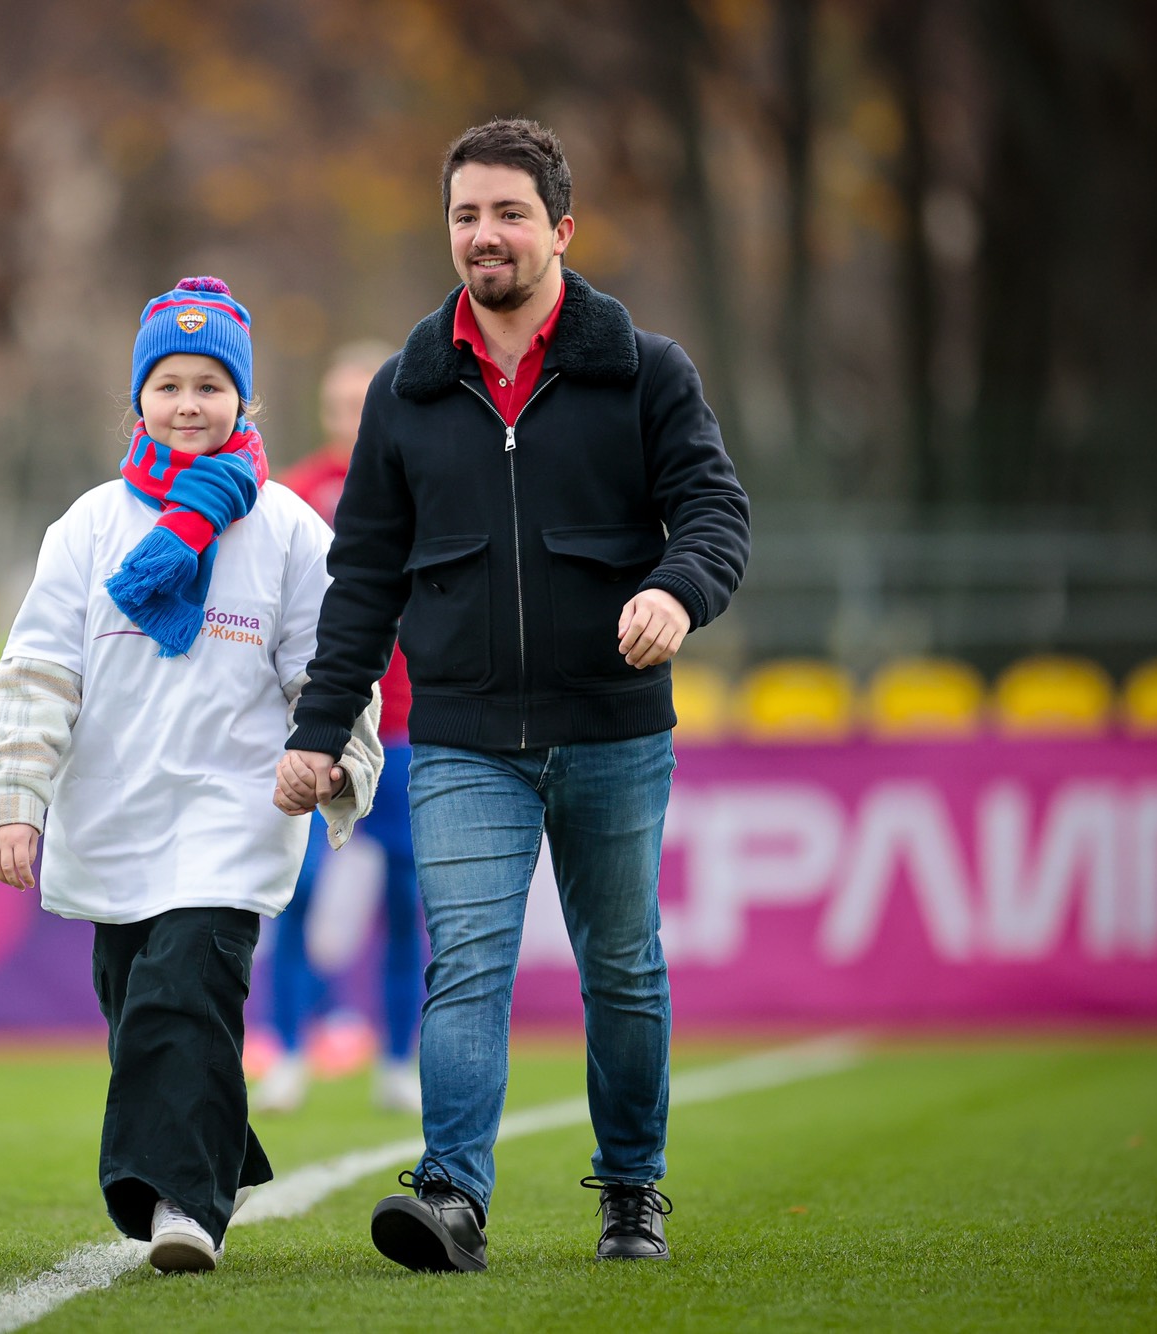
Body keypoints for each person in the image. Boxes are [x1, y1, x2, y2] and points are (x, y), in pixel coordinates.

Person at [277, 118, 750, 1271]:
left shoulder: (645, 369)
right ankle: (450, 1195)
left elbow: (713, 514)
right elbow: (364, 577)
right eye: (463, 215)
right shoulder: (405, 389)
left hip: (611, 728)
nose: (482, 235)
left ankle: (631, 1189)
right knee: (467, 960)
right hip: (458, 737)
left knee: (621, 965)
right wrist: (318, 729)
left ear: (560, 229)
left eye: (507, 213)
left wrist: (676, 595)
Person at [0, 276, 382, 1274]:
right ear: (137, 402)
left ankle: (180, 1208)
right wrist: (14, 803)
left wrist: (326, 757)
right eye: (168, 384)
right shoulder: (86, 527)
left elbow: (336, 665)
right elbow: (35, 674)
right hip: (111, 816)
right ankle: (220, 1151)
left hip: (230, 816)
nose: (189, 403)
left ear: (246, 402)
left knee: (182, 995)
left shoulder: (289, 529)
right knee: (140, 1010)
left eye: (210, 384)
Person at [256, 340, 424, 1116]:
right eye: (339, 407)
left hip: (410, 731)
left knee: (407, 898)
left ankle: (399, 1058)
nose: (351, 422)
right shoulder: (292, 496)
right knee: (295, 892)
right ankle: (289, 1047)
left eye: (364, 405)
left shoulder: (429, 483)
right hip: (318, 730)